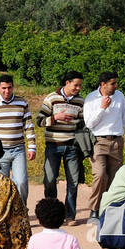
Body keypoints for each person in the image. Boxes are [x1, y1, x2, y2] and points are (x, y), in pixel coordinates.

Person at [84, 71, 125, 223]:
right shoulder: (91, 98)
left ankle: (110, 209)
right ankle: (94, 210)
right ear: (103, 84)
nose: (116, 86)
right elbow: (89, 124)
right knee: (100, 175)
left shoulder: (120, 96)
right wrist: (102, 108)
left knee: (115, 178)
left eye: (115, 83)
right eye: (112, 83)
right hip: (98, 141)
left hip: (116, 142)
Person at [38, 70, 86, 223]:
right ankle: (52, 213)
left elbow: (83, 123)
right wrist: (55, 118)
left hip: (72, 147)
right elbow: (39, 121)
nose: (78, 88)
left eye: (80, 86)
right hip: (53, 145)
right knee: (50, 179)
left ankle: (69, 215)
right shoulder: (52, 98)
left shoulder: (81, 101)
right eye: (76, 85)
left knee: (73, 182)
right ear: (67, 83)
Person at [0, 73, 36, 206]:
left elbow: (28, 126)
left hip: (18, 149)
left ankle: (21, 209)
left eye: (9, 88)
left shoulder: (22, 103)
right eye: (4, 88)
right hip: (0, 152)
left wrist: (32, 147)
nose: (7, 91)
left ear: (13, 87)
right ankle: (3, 213)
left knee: (21, 182)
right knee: (1, 184)